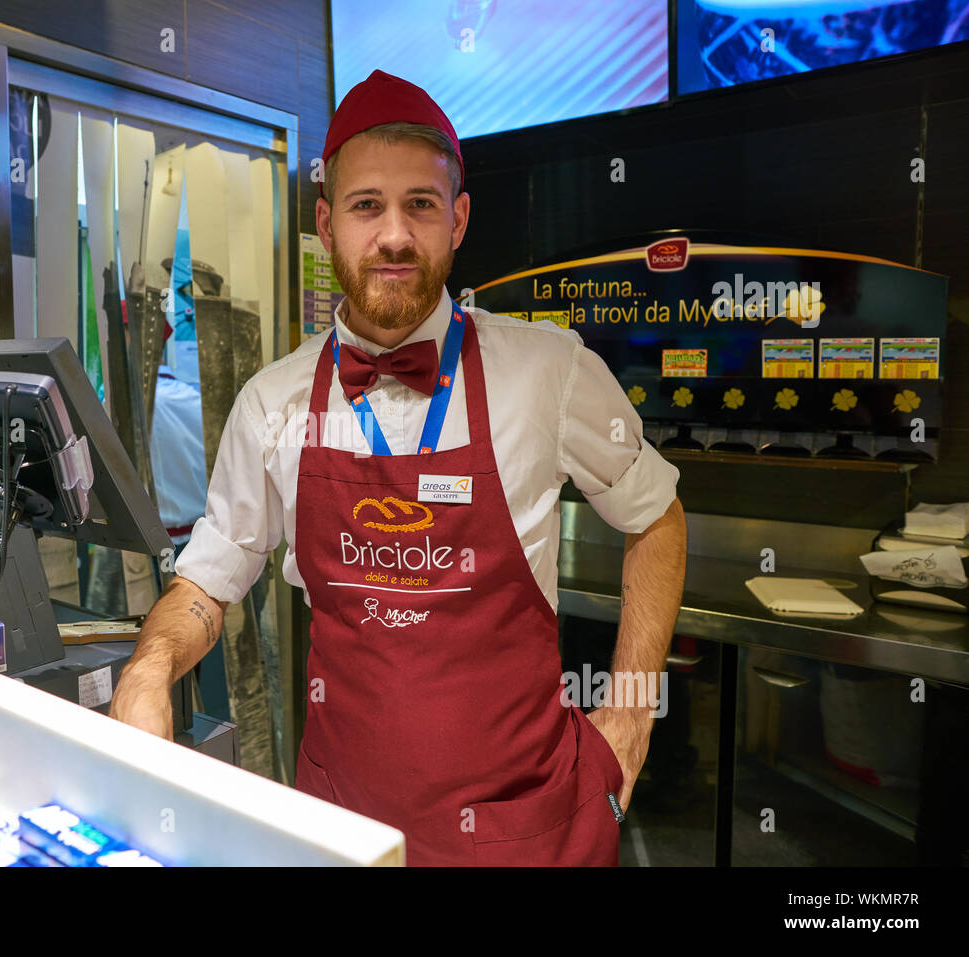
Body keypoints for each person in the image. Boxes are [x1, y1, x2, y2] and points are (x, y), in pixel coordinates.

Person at [111, 69, 688, 866]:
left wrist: (627, 716)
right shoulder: (271, 402)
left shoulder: (547, 372)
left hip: (528, 833)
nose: (392, 234)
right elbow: (210, 579)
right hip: (343, 832)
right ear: (326, 224)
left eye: (420, 203)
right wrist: (149, 668)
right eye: (365, 205)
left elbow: (656, 514)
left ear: (456, 220)